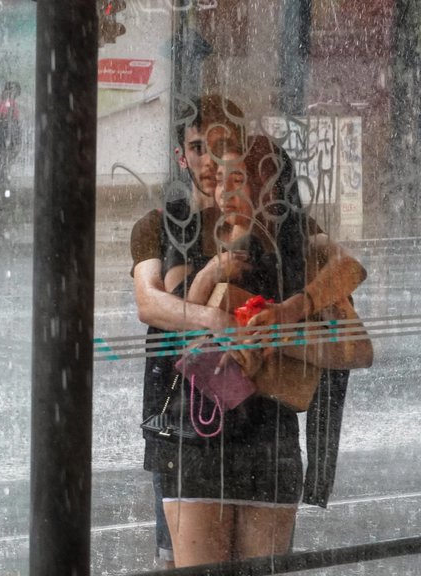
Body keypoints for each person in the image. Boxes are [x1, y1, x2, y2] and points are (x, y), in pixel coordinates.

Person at [157, 135, 369, 567]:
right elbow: (179, 326)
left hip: (270, 443)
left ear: (269, 190)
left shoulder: (300, 248)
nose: (224, 191)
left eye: (238, 180)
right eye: (220, 180)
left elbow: (356, 348)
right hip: (199, 436)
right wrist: (213, 274)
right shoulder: (197, 235)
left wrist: (285, 323)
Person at [130, 94, 244, 568]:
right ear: (182, 156)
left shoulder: (257, 223)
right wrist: (211, 317)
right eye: (198, 147)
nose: (210, 158)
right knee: (176, 561)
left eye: (221, 145)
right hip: (177, 420)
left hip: (250, 421)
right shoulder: (157, 225)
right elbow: (149, 302)